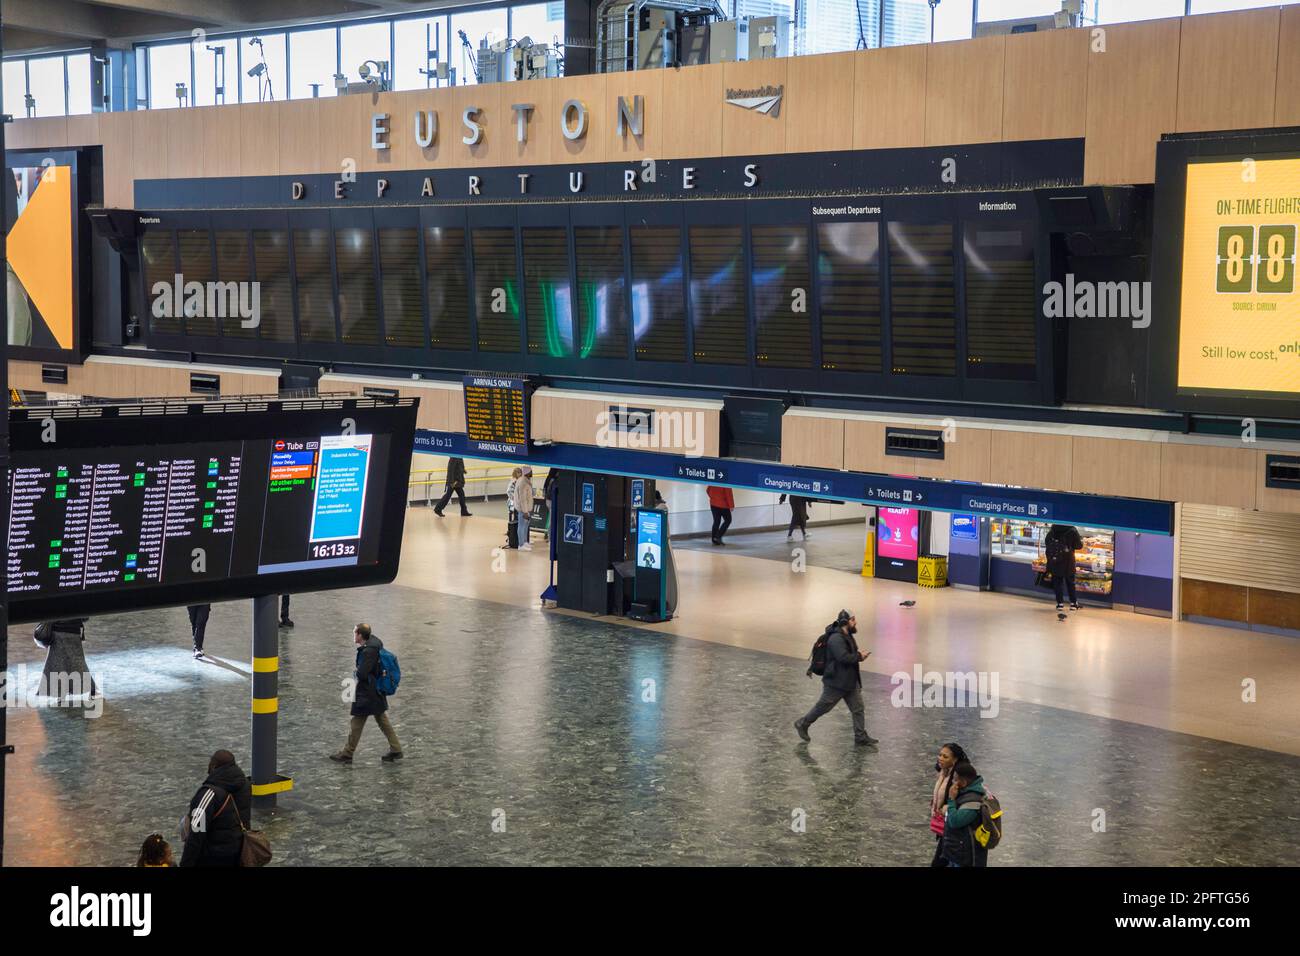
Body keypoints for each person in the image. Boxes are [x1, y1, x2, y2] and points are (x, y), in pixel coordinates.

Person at [794, 609, 878, 746]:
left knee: (858, 708)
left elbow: (848, 654)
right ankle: (802, 723)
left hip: (849, 682)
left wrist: (858, 655)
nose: (855, 622)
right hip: (836, 682)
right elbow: (842, 657)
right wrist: (859, 657)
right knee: (823, 707)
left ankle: (860, 736)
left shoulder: (847, 635)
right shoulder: (836, 638)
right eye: (853, 619)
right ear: (845, 622)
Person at [330, 623, 403, 763]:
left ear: (360, 635)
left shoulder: (368, 651)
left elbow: (363, 674)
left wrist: (357, 673)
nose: (353, 635)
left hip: (367, 692)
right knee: (382, 719)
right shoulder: (374, 644)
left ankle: (347, 753)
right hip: (376, 690)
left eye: (355, 633)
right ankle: (396, 749)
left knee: (357, 721)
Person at [179, 750, 251, 868]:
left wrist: (186, 863)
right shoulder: (245, 786)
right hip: (239, 853)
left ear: (213, 766)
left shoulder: (208, 794)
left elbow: (196, 833)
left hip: (212, 857)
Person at [34, 619, 99, 700]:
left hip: (57, 632)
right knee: (78, 663)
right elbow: (85, 617)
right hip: (73, 632)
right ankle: (91, 690)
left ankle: (61, 693)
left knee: (57, 663)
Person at [942, 761, 989, 868]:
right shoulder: (964, 792)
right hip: (956, 850)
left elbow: (954, 821)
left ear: (963, 782)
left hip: (965, 856)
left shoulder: (973, 802)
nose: (952, 781)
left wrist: (951, 800)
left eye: (955, 779)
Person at [929, 742, 969, 867]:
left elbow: (961, 798)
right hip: (947, 824)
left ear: (955, 759)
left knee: (941, 861)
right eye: (940, 755)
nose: (940, 758)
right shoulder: (944, 771)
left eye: (945, 756)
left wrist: (948, 805)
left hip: (954, 827)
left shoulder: (959, 776)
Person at [1044, 523, 1084, 611]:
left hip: (1055, 560)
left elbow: (1047, 542)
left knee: (1057, 583)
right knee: (1070, 582)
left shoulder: (1052, 529)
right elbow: (1079, 546)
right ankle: (1073, 604)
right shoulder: (1072, 530)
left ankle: (1060, 604)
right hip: (1068, 561)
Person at [513, 466, 536, 552]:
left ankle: (525, 542)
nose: (532, 473)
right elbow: (522, 499)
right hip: (523, 509)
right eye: (530, 472)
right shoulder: (523, 482)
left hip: (526, 508)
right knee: (521, 526)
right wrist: (525, 511)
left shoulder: (525, 481)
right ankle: (521, 544)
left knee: (525, 526)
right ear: (527, 473)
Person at [506, 467, 522, 548]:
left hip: (519, 503)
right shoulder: (513, 481)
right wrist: (515, 498)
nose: (520, 474)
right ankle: (515, 536)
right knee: (516, 518)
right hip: (513, 503)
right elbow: (508, 492)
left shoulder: (520, 481)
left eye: (520, 472)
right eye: (518, 472)